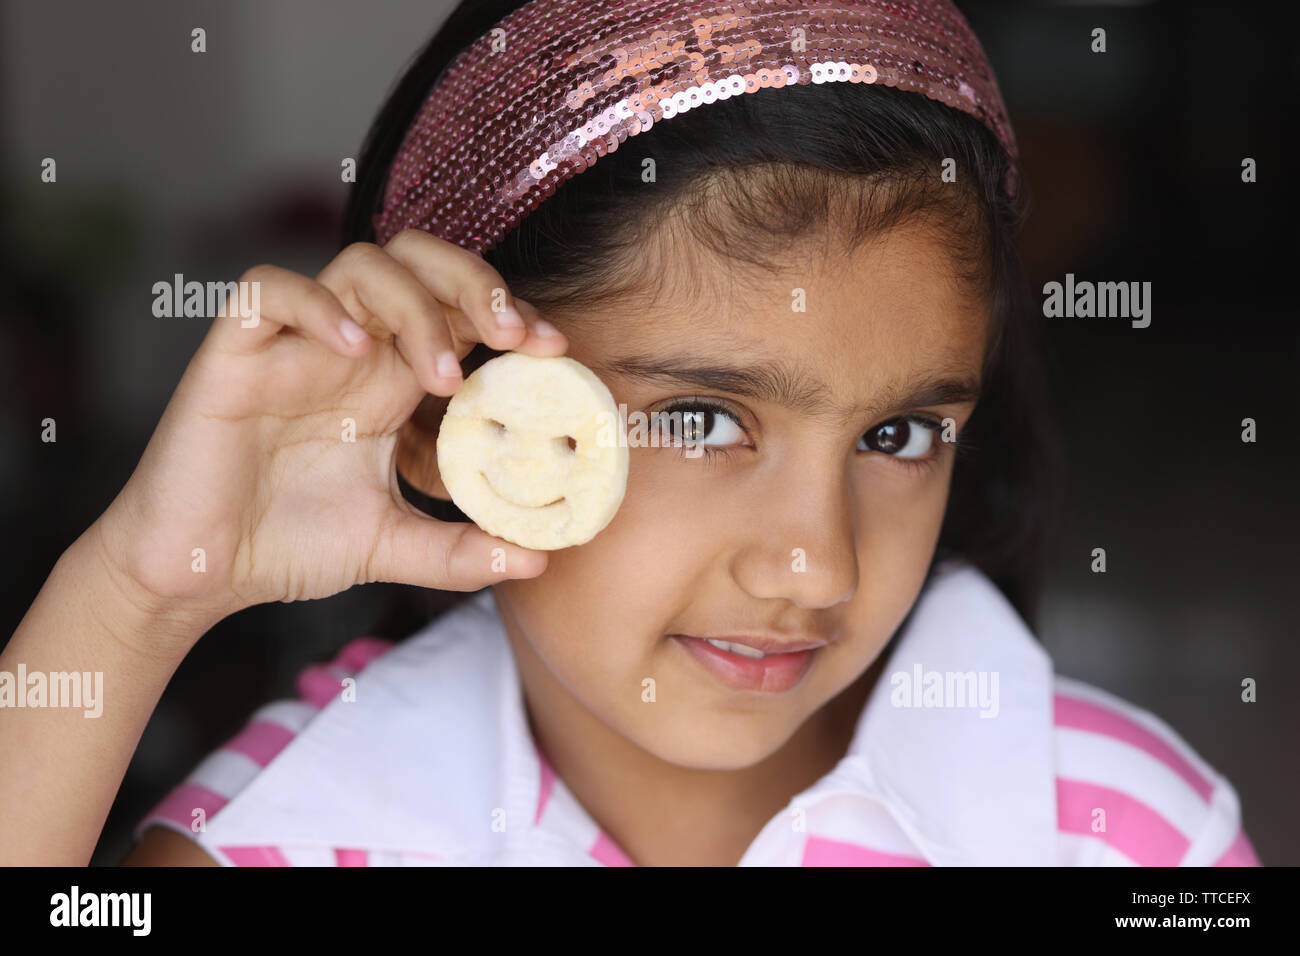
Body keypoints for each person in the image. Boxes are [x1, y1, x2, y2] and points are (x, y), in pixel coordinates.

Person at [1, 0, 1260, 866]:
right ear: (454, 421)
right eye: (703, 417)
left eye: (897, 435)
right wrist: (139, 594)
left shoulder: (1117, 829)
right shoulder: (297, 827)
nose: (814, 566)